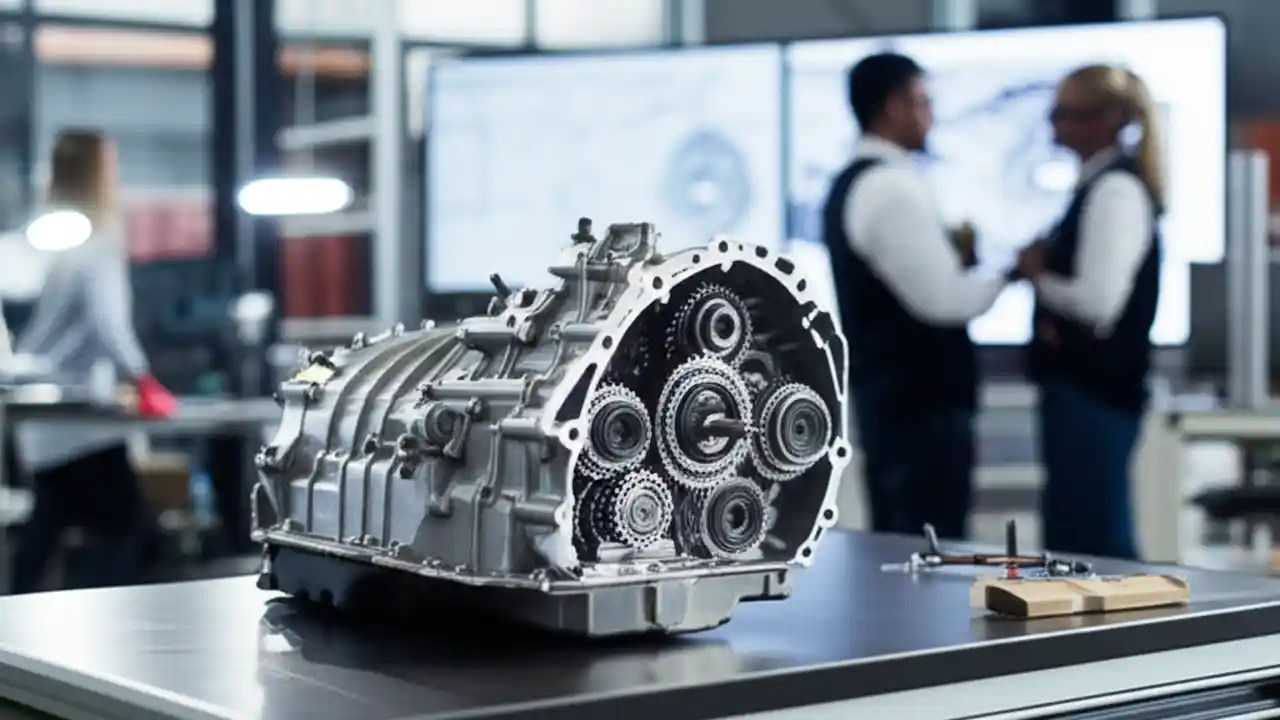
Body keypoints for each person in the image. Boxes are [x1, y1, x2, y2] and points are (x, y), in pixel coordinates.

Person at [823, 53, 1009, 539]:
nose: (932, 115)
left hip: (895, 404)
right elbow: (942, 300)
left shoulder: (861, 181)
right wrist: (1009, 274)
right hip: (918, 411)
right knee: (927, 551)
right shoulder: (888, 188)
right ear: (892, 106)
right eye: (923, 101)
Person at [11, 129, 174, 592]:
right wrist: (143, 380)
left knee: (46, 531)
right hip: (80, 422)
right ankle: (99, 626)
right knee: (129, 532)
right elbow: (109, 324)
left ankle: (16, 633)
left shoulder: (39, 237)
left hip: (39, 423)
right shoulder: (96, 237)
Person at [1017, 65, 1163, 559]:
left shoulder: (1114, 192)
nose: (1055, 127)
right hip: (1083, 395)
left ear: (1108, 118)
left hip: (1094, 395)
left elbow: (1099, 304)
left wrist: (1039, 275)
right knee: (1079, 538)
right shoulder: (1095, 187)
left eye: (1066, 114)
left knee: (1095, 546)